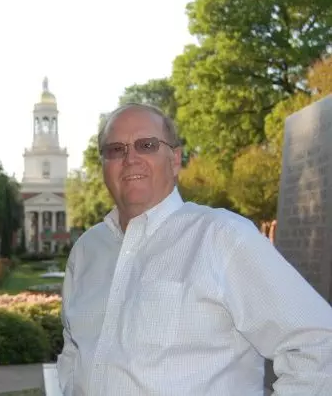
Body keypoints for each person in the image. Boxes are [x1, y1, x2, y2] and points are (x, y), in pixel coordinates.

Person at [57, 103, 332, 395]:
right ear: (103, 165)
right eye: (115, 149)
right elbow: (74, 351)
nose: (130, 158)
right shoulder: (87, 249)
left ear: (174, 159)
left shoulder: (222, 237)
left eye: (146, 145)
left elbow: (319, 345)